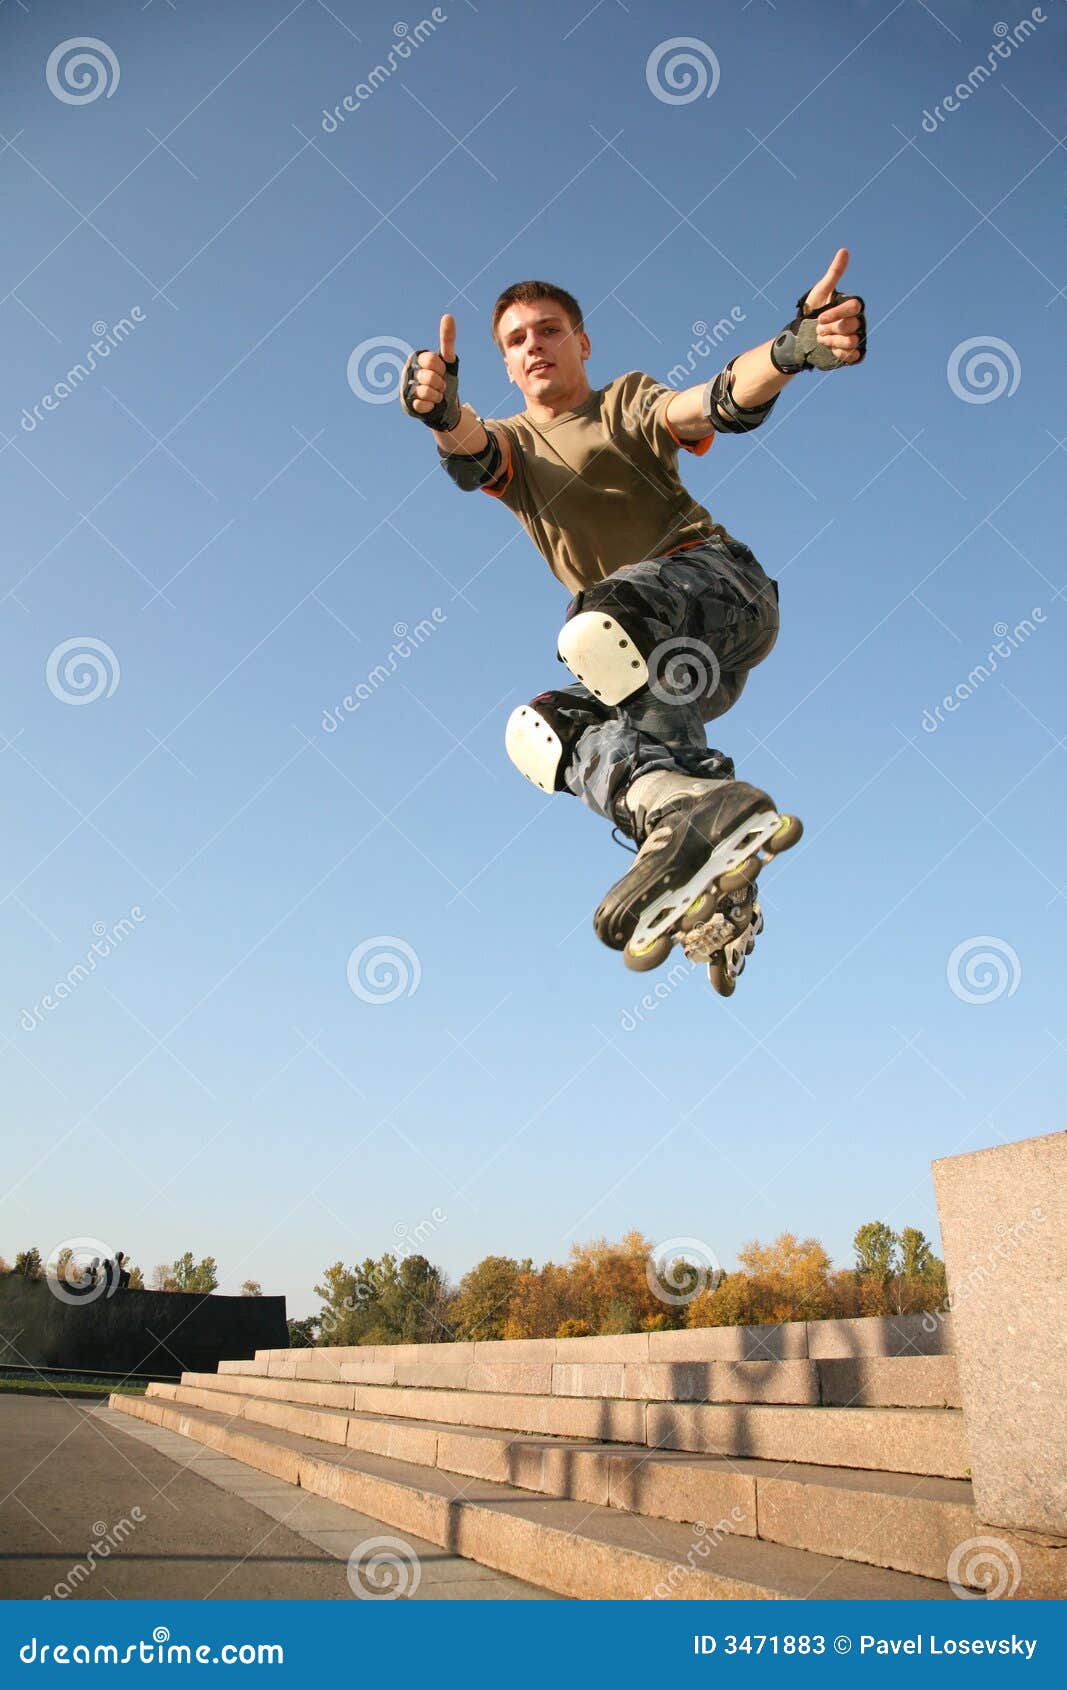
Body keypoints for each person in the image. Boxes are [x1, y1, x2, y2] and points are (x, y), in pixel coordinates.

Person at [400, 251, 866, 991]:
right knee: (541, 727)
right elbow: (469, 448)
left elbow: (711, 401)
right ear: (507, 367)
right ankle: (680, 813)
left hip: (721, 594)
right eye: (516, 341)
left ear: (580, 344)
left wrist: (789, 351)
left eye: (548, 331)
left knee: (596, 618)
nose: (534, 347)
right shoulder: (514, 445)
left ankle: (695, 802)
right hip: (663, 671)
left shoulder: (625, 403)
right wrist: (437, 411)